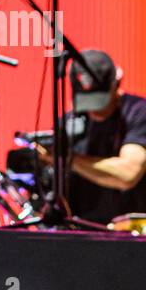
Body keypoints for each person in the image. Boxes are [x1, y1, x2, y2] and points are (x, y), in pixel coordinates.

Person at [37, 50, 146, 225]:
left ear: (116, 83)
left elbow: (128, 174)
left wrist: (69, 159)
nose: (94, 110)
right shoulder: (68, 122)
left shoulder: (138, 113)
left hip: (130, 234)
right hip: (81, 231)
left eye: (99, 100)